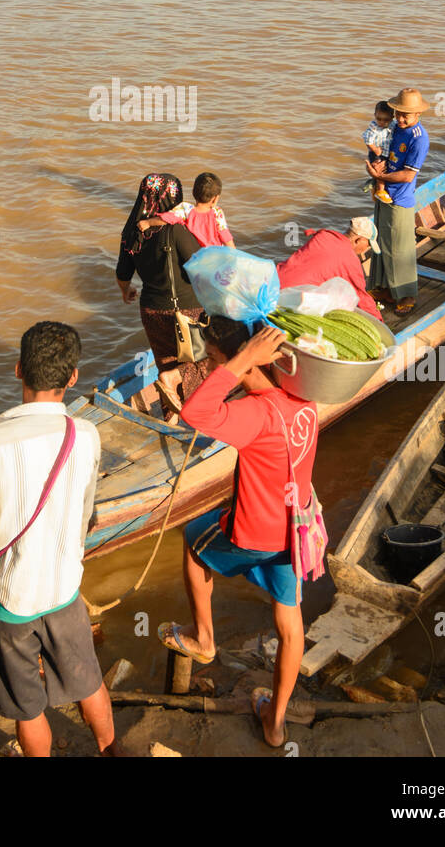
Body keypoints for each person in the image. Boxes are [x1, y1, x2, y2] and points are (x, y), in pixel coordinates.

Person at [0, 321, 121, 758]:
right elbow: (86, 514)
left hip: (7, 601)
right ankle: (109, 749)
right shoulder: (84, 434)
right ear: (72, 378)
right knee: (89, 681)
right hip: (64, 589)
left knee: (27, 708)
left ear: (17, 370)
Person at [159, 317, 323, 748]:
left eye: (214, 361)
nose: (213, 370)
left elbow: (194, 412)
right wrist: (244, 363)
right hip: (295, 532)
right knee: (290, 626)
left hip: (254, 532)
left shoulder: (255, 414)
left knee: (194, 540)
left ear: (243, 360)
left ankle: (204, 638)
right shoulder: (304, 400)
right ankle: (275, 723)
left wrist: (240, 360)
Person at [116, 172, 207, 420]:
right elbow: (200, 265)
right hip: (185, 310)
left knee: (166, 363)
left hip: (151, 311)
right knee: (207, 359)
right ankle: (201, 413)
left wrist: (127, 291)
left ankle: (172, 419)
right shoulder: (176, 230)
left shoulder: (131, 233)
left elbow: (123, 274)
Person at [367, 87, 431, 317]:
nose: (401, 118)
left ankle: (407, 294)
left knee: (400, 249)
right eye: (398, 113)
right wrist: (376, 170)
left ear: (418, 115)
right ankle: (385, 289)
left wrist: (379, 177)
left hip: (400, 197)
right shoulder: (394, 127)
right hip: (383, 192)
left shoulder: (419, 139)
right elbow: (378, 146)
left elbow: (407, 175)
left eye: (407, 115)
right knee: (381, 242)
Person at [276, 217, 383, 320]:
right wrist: (379, 321)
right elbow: (361, 297)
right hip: (291, 298)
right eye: (368, 245)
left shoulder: (324, 236)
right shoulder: (350, 260)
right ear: (358, 240)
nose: (367, 249)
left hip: (274, 281)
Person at [137, 171, 235, 248]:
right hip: (215, 255)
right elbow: (225, 236)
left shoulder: (186, 209)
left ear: (193, 192)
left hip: (195, 256)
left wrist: (148, 223)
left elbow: (166, 219)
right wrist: (234, 255)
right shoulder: (217, 213)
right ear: (215, 199)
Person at [362, 100, 395, 203]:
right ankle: (380, 191)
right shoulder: (374, 127)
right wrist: (375, 149)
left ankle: (374, 183)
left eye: (386, 120)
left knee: (386, 169)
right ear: (375, 115)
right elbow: (367, 139)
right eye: (379, 119)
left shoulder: (392, 125)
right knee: (380, 171)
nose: (381, 122)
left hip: (386, 152)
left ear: (392, 118)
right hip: (376, 153)